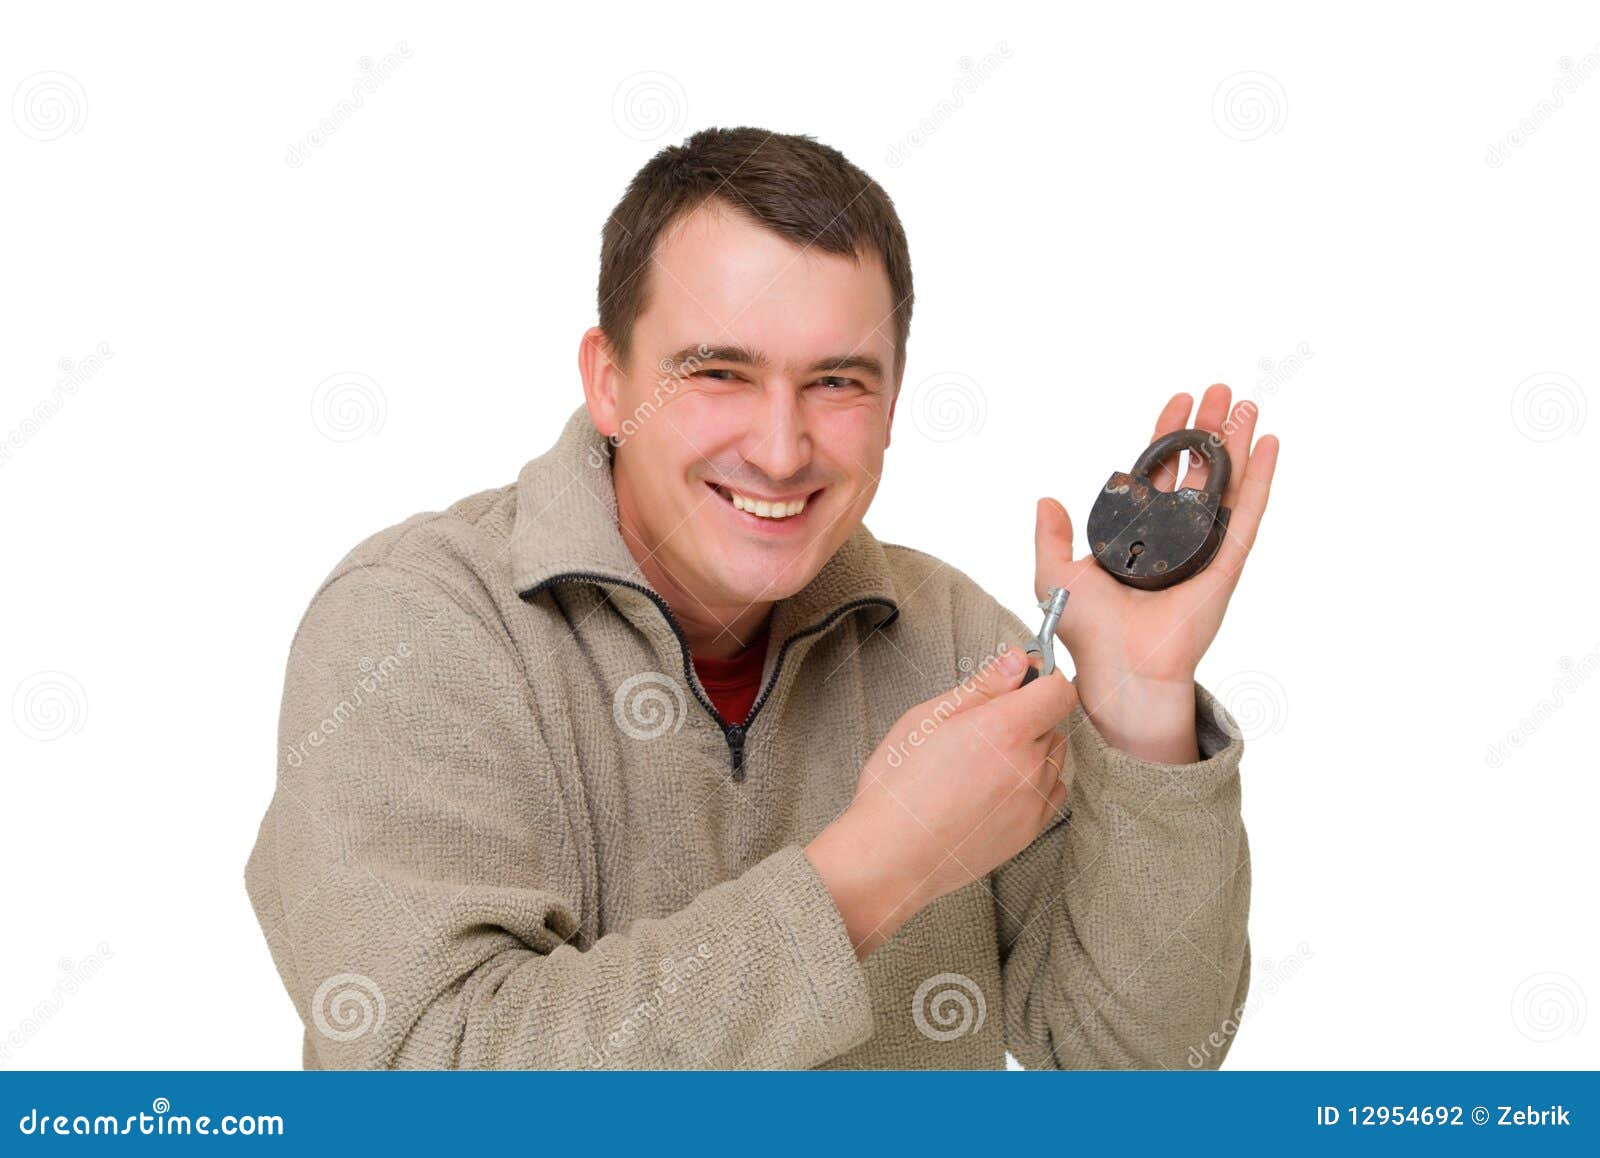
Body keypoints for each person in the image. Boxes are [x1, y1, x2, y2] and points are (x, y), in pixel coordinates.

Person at [244, 126, 1279, 1069]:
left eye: (837, 382)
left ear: (892, 401)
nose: (781, 451)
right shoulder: (412, 627)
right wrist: (881, 863)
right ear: (607, 379)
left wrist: (1142, 711)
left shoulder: (957, 636)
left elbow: (1138, 1070)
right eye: (718, 373)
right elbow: (426, 1076)